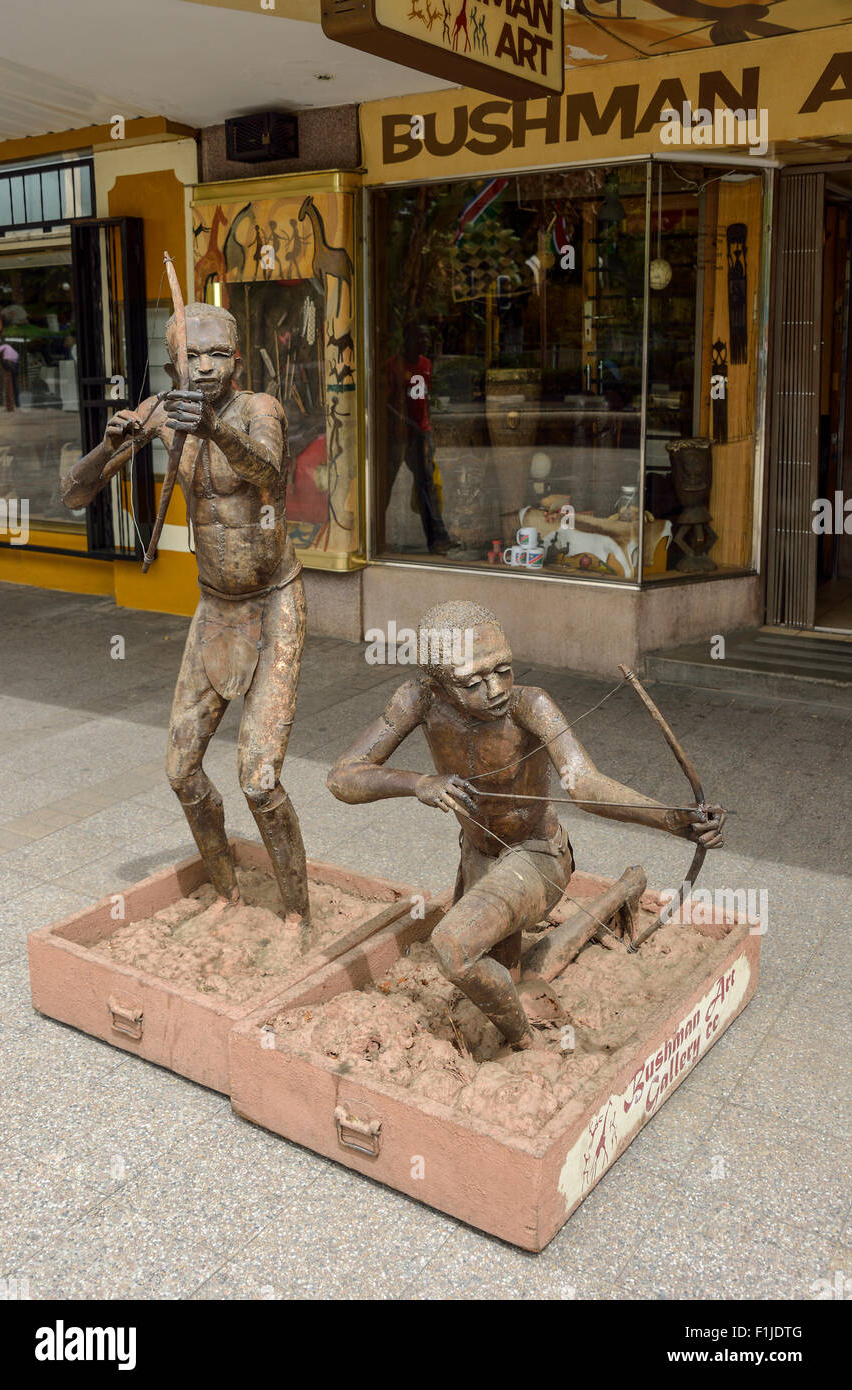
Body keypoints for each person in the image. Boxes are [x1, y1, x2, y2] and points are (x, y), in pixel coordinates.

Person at [327, 600, 725, 1050]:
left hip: (538, 853)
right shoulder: (418, 698)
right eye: (472, 682)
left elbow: (584, 783)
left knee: (453, 947)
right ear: (437, 682)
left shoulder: (529, 704)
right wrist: (417, 782)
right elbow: (343, 777)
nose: (495, 689)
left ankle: (525, 1045)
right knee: (509, 973)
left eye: (503, 669)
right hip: (479, 852)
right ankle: (624, 889)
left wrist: (675, 819)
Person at [61, 302, 310, 923]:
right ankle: (225, 888)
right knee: (181, 769)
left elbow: (271, 471)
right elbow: (74, 494)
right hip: (216, 606)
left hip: (274, 600)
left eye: (216, 353)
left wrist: (213, 430)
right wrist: (109, 445)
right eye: (190, 356)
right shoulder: (163, 412)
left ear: (238, 359)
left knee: (258, 778)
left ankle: (298, 913)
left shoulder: (259, 409)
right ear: (174, 361)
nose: (204, 366)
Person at [385, 323, 450, 554]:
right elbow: (385, 403)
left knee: (427, 486)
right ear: (408, 338)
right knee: (384, 486)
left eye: (427, 337)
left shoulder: (426, 364)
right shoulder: (393, 365)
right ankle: (376, 537)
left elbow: (424, 400)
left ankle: (438, 540)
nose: (424, 342)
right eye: (420, 337)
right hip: (398, 437)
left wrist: (428, 428)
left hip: (421, 435)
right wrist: (406, 424)